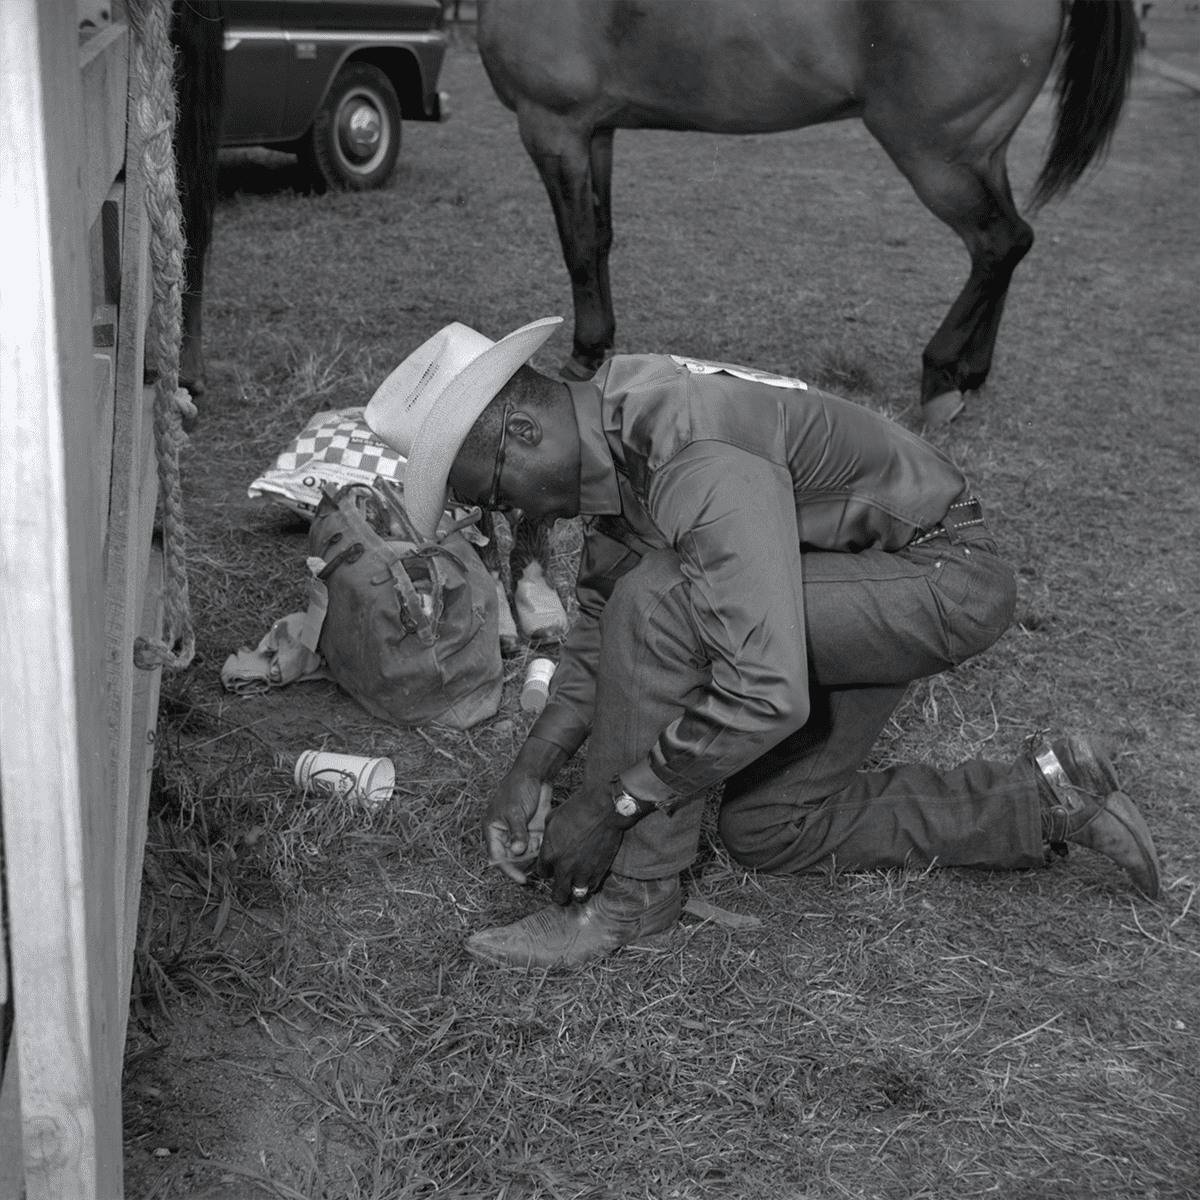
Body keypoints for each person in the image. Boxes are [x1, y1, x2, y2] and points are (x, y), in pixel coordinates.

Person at [365, 317, 1163, 969]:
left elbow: (762, 687)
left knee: (661, 603)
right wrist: (532, 769)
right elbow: (598, 630)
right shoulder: (607, 436)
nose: (511, 523)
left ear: (523, 430)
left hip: (939, 577)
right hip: (847, 580)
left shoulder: (686, 447)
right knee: (767, 829)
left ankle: (634, 904)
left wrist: (610, 810)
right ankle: (1045, 800)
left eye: (494, 500)